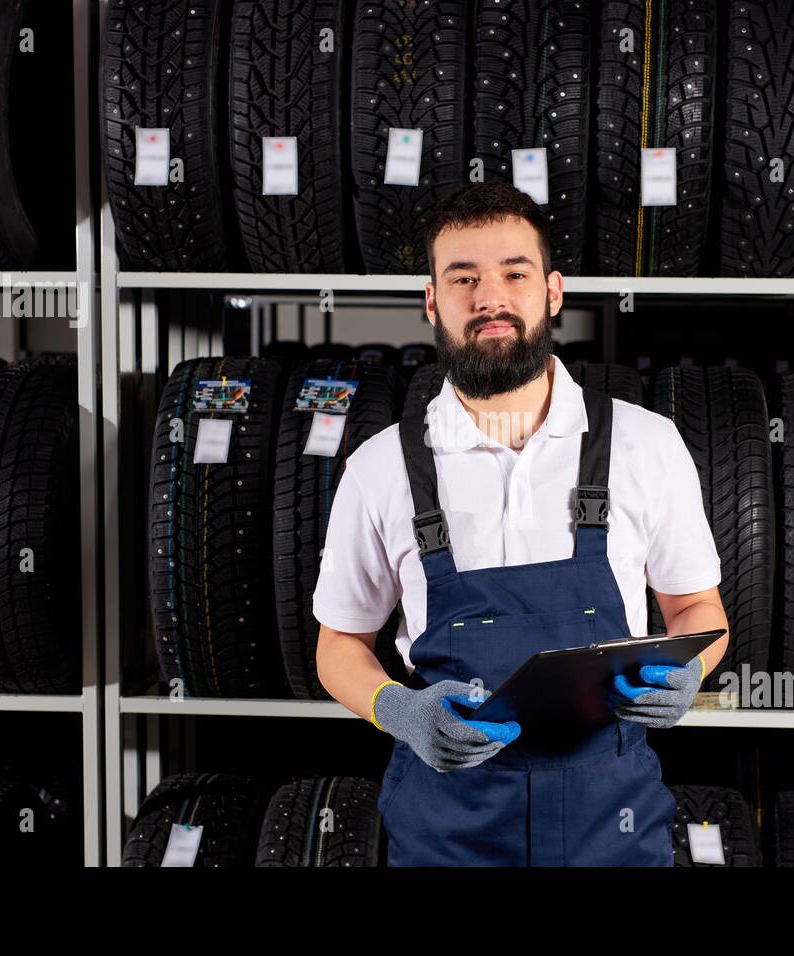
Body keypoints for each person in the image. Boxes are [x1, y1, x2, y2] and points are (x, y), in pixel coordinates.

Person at [312, 181, 730, 866]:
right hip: (449, 830)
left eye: (514, 273)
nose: (490, 298)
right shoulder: (380, 467)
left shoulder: (645, 444)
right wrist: (399, 711)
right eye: (464, 278)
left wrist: (692, 671)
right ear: (432, 301)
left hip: (612, 826)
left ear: (553, 291)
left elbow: (697, 609)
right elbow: (338, 647)